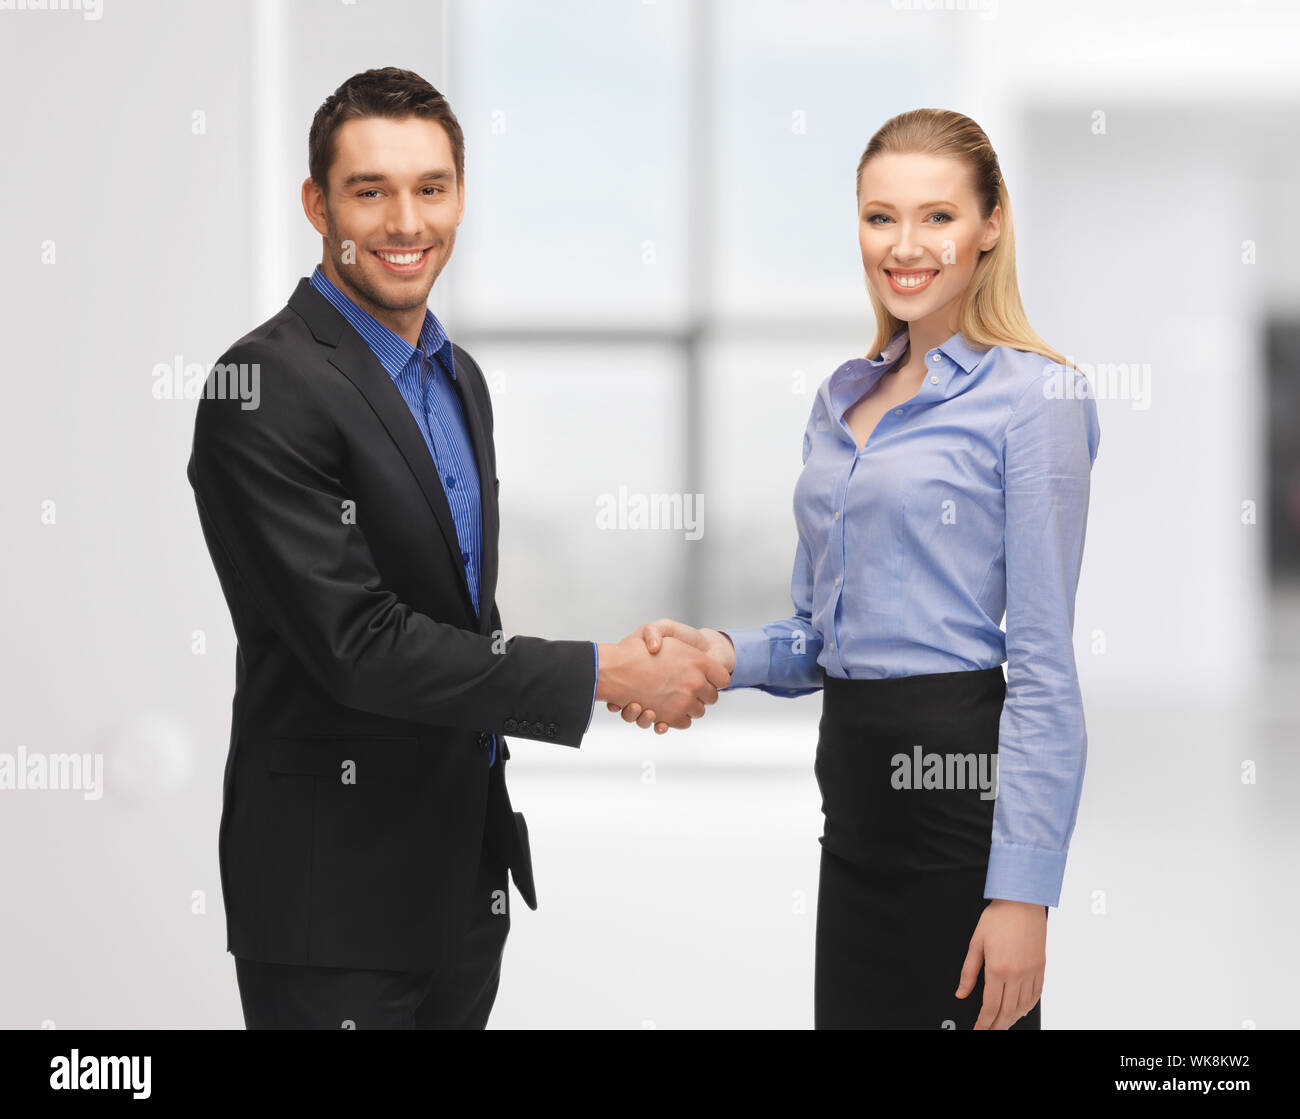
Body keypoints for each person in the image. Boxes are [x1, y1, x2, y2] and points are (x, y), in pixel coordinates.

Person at [186, 67, 730, 1029]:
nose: (406, 221)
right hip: (334, 907)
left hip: (459, 887)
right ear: (317, 204)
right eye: (370, 190)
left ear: (461, 197)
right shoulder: (263, 384)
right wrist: (604, 673)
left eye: (431, 188)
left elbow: (458, 616)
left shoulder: (455, 377)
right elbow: (359, 644)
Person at [610, 108, 1101, 1030]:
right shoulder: (845, 399)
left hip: (958, 801)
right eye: (881, 217)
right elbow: (819, 637)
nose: (904, 245)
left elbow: (1042, 665)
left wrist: (1026, 895)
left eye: (937, 217)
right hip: (854, 810)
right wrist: (720, 648)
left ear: (990, 225)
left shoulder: (1038, 397)